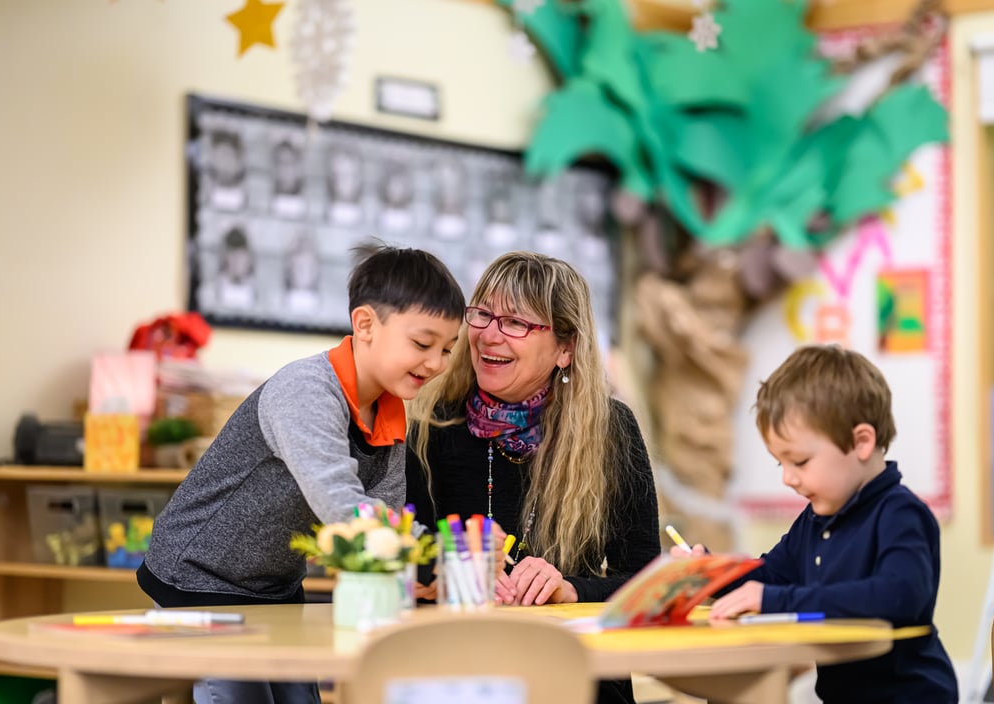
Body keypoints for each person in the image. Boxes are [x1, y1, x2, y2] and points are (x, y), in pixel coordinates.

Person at [138, 245, 466, 704]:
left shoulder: (390, 410)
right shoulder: (306, 390)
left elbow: (387, 513)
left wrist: (417, 566)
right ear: (366, 324)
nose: (436, 364)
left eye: (448, 349)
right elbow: (337, 497)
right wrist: (414, 558)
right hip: (200, 581)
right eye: (423, 343)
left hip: (273, 586)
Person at [406, 251, 661, 704]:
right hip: (455, 670)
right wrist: (454, 572)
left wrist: (569, 588)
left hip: (572, 675)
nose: (488, 335)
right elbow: (405, 557)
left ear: (565, 348)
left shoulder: (610, 429)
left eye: (516, 323)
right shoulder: (433, 424)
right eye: (483, 314)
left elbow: (643, 580)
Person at [680, 344, 958, 703]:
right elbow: (771, 576)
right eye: (781, 464)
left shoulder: (900, 514)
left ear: (861, 442)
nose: (788, 479)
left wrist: (776, 601)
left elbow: (898, 596)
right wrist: (710, 573)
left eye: (799, 461)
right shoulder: (814, 520)